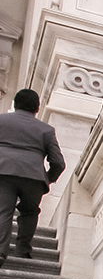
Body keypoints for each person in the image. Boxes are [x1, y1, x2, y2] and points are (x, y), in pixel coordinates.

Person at [0, 89, 64, 269]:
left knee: (3, 212)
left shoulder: (1, 121)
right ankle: (23, 249)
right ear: (37, 108)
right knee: (30, 212)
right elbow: (58, 162)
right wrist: (46, 178)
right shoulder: (46, 130)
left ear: (15, 103)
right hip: (33, 177)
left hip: (3, 172)